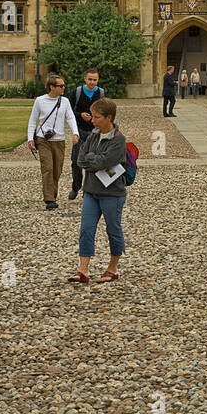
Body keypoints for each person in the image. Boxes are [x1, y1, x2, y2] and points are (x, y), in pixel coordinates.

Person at [69, 98, 127, 285]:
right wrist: (96, 160)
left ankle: (112, 269)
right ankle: (83, 270)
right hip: (91, 191)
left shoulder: (119, 139)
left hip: (112, 194)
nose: (92, 120)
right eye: (92, 116)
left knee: (113, 230)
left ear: (109, 118)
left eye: (97, 117)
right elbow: (80, 160)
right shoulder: (92, 136)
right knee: (86, 230)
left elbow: (104, 161)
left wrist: (94, 160)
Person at [26, 73, 79, 210]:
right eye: (60, 86)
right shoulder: (40, 101)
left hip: (59, 140)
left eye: (64, 85)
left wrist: (75, 133)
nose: (63, 88)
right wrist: (30, 138)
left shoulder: (65, 101)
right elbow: (33, 120)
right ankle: (49, 199)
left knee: (57, 170)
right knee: (48, 168)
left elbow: (71, 118)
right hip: (43, 139)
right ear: (51, 87)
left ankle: (52, 196)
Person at [69, 68, 106, 200]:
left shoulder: (101, 93)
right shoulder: (77, 92)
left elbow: (105, 112)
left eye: (94, 80)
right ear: (85, 79)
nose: (92, 82)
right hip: (80, 131)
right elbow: (69, 112)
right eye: (90, 79)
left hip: (95, 132)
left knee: (93, 162)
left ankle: (88, 190)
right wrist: (80, 115)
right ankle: (76, 186)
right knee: (76, 161)